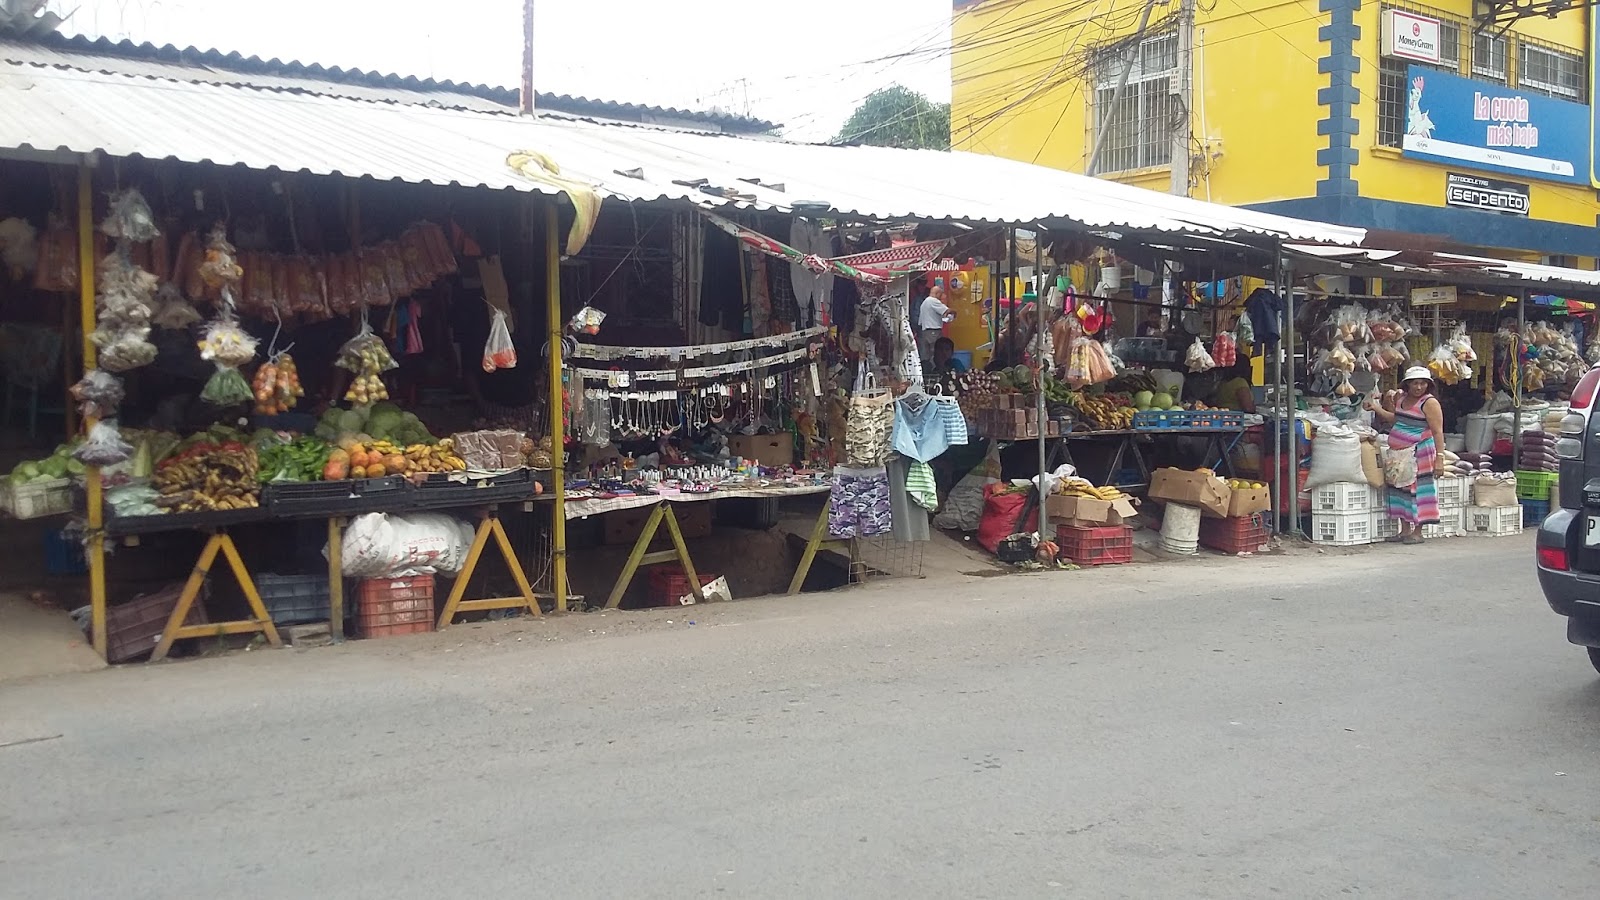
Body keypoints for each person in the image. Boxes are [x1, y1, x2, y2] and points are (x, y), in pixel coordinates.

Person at [1369, 366, 1444, 544]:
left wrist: (1440, 458)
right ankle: (1404, 530)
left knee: (1417, 490)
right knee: (1399, 489)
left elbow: (1437, 431)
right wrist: (1376, 407)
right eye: (1415, 384)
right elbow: (1396, 419)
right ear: (1407, 385)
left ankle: (1418, 531)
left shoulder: (1429, 403)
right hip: (1398, 452)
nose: (1419, 387)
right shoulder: (1401, 399)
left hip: (1420, 452)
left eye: (1423, 383)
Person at [918, 281, 952, 364]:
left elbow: (920, 322)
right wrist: (954, 311)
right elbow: (946, 311)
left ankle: (928, 372)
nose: (940, 297)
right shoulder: (933, 301)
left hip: (924, 331)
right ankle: (936, 372)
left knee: (926, 355)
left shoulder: (924, 302)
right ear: (937, 293)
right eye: (940, 294)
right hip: (934, 332)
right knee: (936, 353)